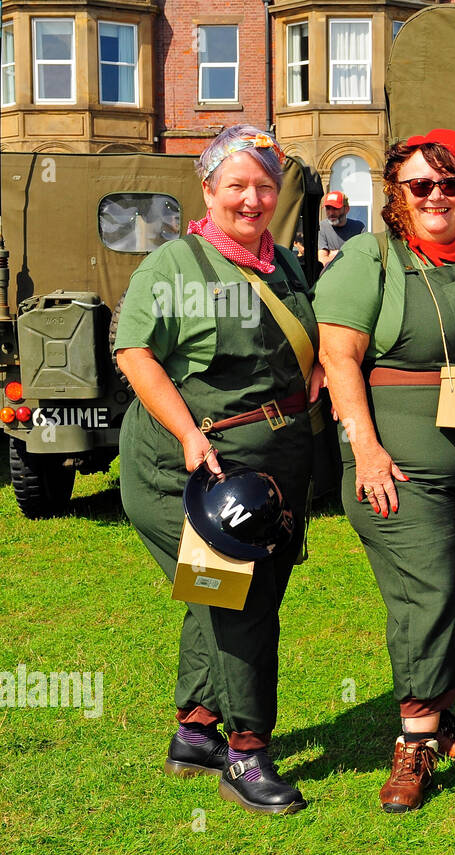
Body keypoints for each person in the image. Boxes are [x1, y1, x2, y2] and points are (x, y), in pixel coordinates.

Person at [115, 125, 324, 815]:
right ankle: (246, 752)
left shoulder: (286, 266)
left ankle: (195, 732)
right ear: (207, 189)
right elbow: (136, 353)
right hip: (190, 470)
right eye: (236, 185)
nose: (252, 198)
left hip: (273, 463)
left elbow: (298, 337)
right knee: (236, 605)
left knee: (223, 595)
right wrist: (184, 433)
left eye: (264, 185)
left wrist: (314, 364)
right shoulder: (173, 265)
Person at [315, 129, 455, 813]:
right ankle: (414, 743)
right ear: (396, 196)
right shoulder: (369, 258)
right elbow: (339, 359)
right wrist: (366, 450)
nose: (434, 196)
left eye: (448, 184)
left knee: (447, 595)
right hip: (400, 468)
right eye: (418, 185)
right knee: (427, 592)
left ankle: (440, 710)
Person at [318, 191, 365, 268]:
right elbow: (322, 261)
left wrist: (336, 254)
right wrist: (350, 254)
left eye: (335, 208)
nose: (331, 213)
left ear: (347, 209)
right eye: (328, 208)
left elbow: (362, 259)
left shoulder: (359, 228)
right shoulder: (322, 227)